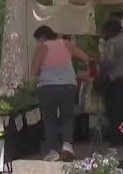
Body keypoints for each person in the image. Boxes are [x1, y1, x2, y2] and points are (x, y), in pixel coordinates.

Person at [29, 25, 90, 162]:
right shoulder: (66, 44)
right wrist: (86, 69)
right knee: (67, 117)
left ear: (42, 37)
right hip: (68, 85)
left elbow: (33, 70)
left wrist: (38, 74)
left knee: (49, 118)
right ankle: (67, 147)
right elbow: (85, 57)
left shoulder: (42, 47)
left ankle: (52, 150)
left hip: (47, 87)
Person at [97, 17, 123, 142]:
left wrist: (101, 69)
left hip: (116, 78)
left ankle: (116, 136)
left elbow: (109, 62)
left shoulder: (112, 42)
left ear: (109, 30)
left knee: (115, 109)